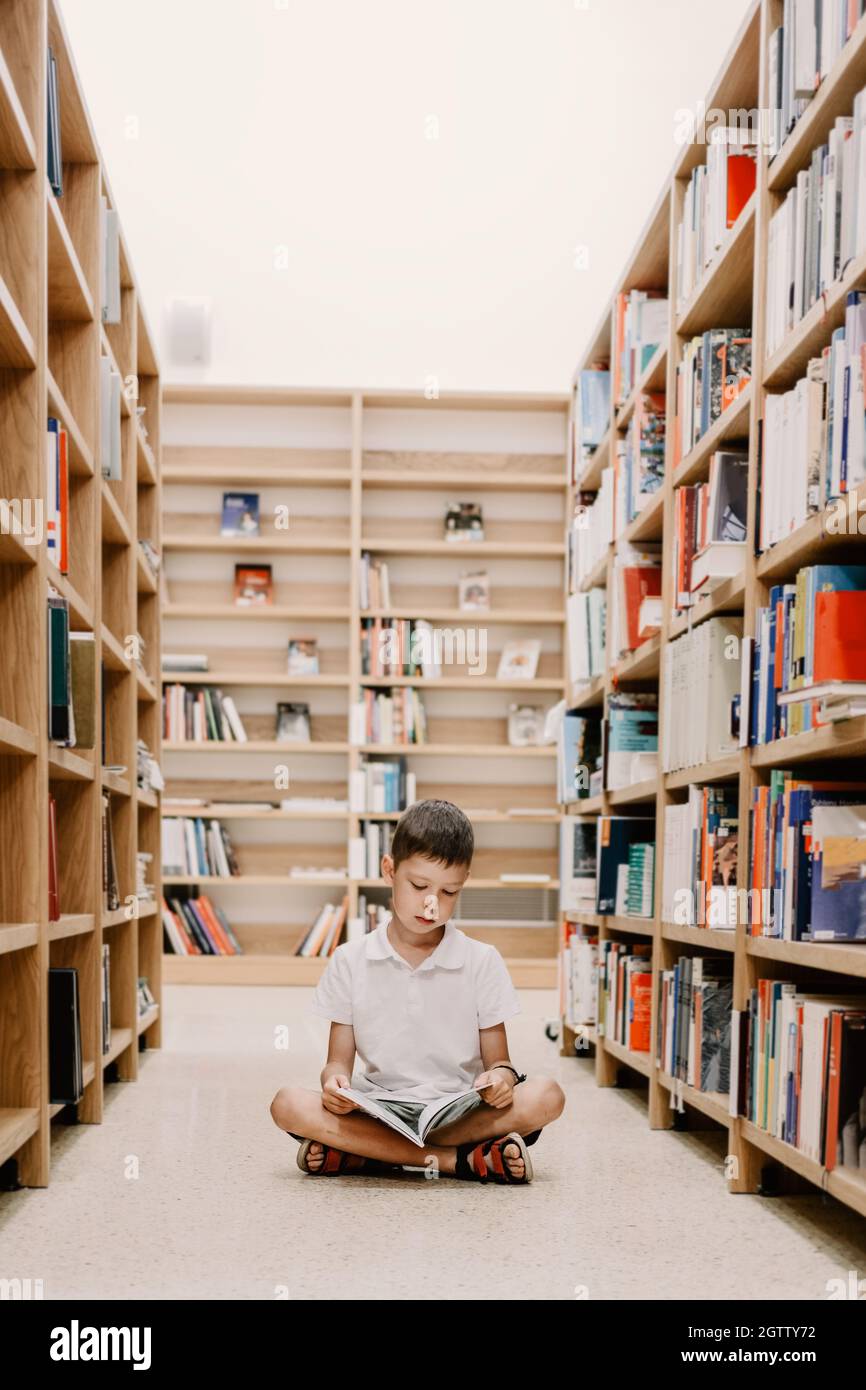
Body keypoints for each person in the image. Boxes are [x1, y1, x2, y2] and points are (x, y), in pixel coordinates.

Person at [270, 798, 566, 1184]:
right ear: (389, 869)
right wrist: (333, 1085)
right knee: (287, 1104)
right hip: (379, 1111)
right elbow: (337, 1063)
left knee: (546, 1096)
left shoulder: (482, 960)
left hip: (456, 1113)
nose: (432, 905)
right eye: (420, 885)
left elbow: (500, 1062)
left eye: (449, 892)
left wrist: (502, 1082)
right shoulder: (350, 960)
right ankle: (456, 1162)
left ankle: (366, 1155)